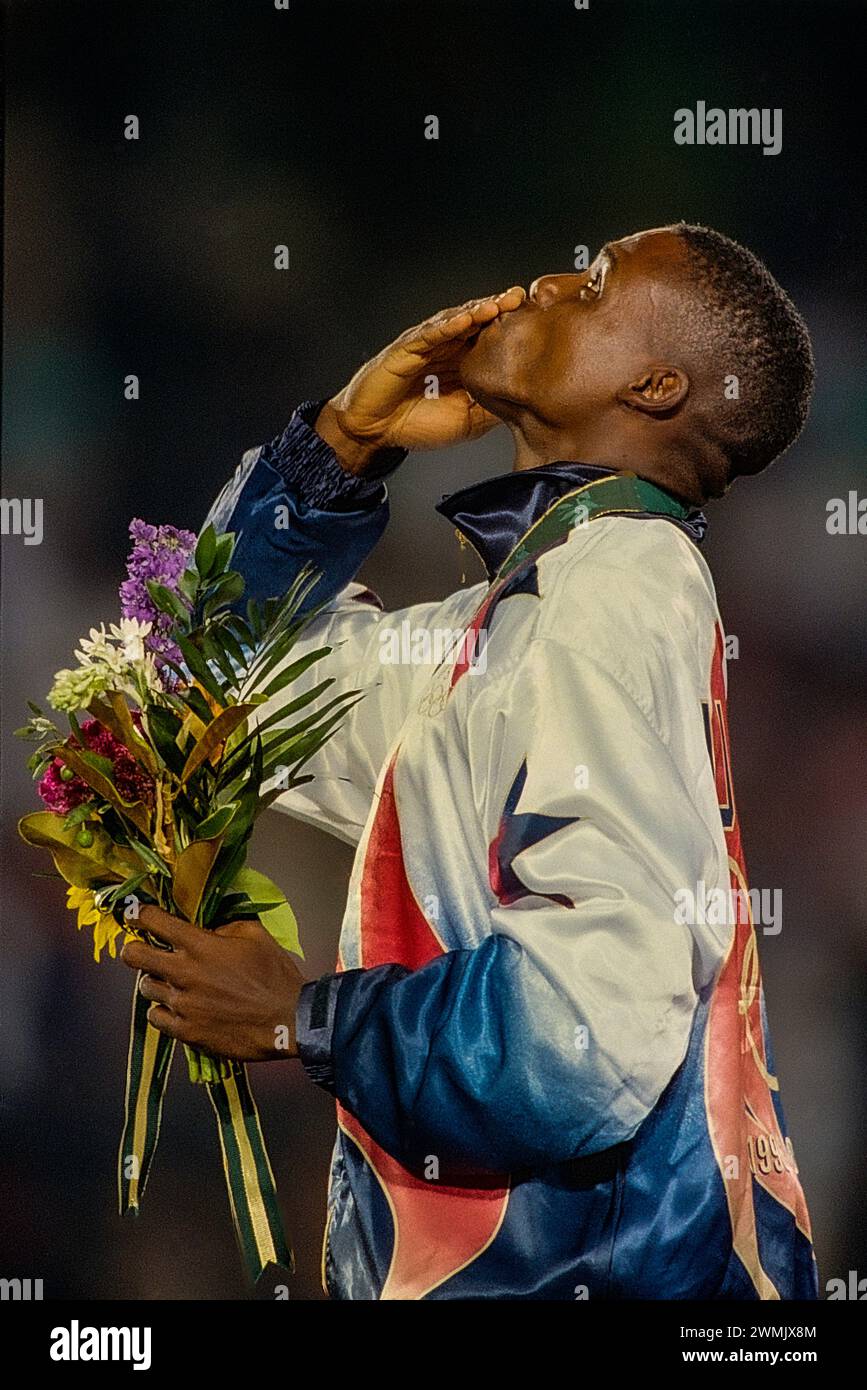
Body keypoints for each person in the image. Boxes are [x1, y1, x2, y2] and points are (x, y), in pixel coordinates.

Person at [121, 223, 818, 1300]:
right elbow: (210, 681)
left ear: (658, 383)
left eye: (592, 283)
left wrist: (303, 1018)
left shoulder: (619, 588)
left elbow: (599, 1021)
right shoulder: (515, 623)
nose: (542, 280)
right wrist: (338, 450)